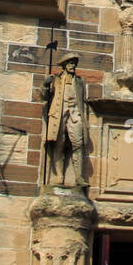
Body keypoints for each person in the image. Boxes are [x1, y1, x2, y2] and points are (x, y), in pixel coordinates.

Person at [42, 52, 89, 189]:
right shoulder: (55, 80)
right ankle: (59, 176)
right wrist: (45, 85)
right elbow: (44, 97)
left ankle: (79, 177)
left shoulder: (80, 82)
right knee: (59, 144)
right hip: (59, 114)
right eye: (70, 63)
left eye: (74, 63)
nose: (72, 65)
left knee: (78, 144)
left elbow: (83, 101)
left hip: (75, 115)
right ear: (64, 65)